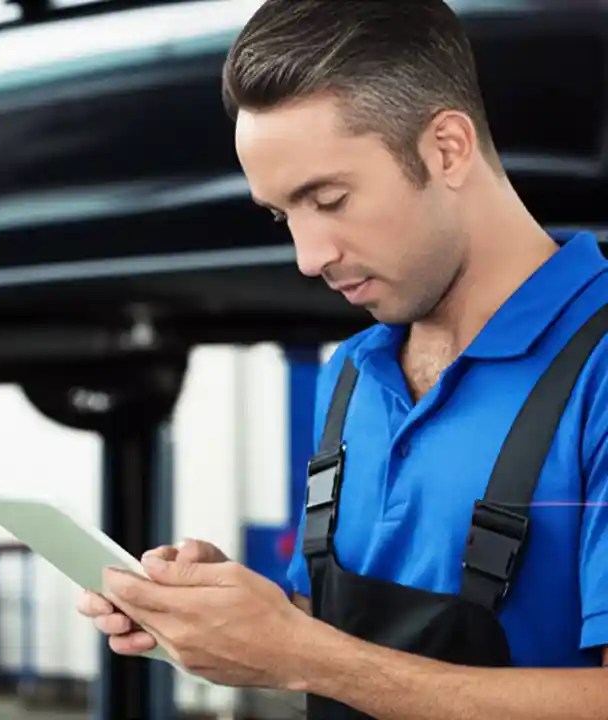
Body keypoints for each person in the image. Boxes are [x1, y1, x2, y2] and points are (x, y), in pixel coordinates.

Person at [76, 1, 608, 718]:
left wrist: (305, 654)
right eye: (282, 215)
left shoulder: (597, 369)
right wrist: (232, 618)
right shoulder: (353, 374)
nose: (307, 257)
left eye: (328, 199)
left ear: (446, 149)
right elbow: (348, 642)